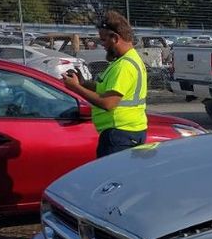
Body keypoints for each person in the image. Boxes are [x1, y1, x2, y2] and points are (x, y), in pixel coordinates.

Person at [61, 10, 148, 157]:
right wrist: (83, 83)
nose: (103, 45)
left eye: (103, 40)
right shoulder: (127, 60)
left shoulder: (124, 66)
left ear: (115, 38)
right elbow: (105, 89)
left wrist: (76, 88)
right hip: (127, 132)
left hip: (120, 135)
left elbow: (108, 103)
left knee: (112, 178)